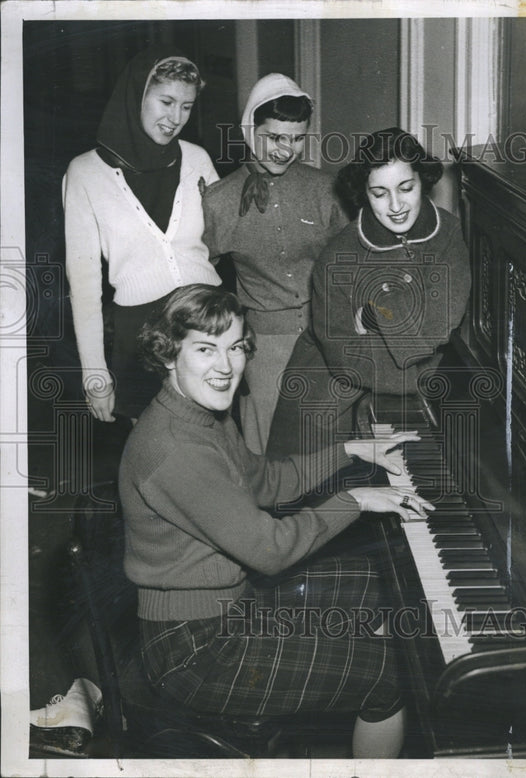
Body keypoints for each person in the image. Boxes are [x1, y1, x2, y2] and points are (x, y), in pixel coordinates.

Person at [119, 284, 433, 758]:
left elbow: (265, 482)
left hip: (228, 602)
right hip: (196, 650)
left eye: (236, 348)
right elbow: (270, 550)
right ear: (169, 354)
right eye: (205, 349)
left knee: (381, 584)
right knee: (387, 675)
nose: (225, 367)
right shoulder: (175, 450)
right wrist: (357, 499)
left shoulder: (203, 416)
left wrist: (349, 451)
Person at [267, 127, 472, 458]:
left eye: (406, 188)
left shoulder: (448, 234)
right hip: (327, 395)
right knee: (318, 493)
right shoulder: (336, 258)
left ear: (423, 181)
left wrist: (374, 313)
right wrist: (424, 370)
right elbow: (347, 361)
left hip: (411, 392)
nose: (395, 206)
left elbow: (437, 329)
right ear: (364, 193)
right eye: (379, 193)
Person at [63, 46, 221, 422]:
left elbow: (224, 241)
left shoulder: (197, 158)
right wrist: (95, 375)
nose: (175, 118)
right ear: (137, 95)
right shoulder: (84, 173)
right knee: (157, 458)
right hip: (141, 336)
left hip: (209, 322)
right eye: (166, 101)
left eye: (186, 106)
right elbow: (84, 285)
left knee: (217, 450)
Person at [202, 73, 348, 454]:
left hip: (327, 337)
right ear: (251, 130)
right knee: (266, 448)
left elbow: (351, 265)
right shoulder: (218, 201)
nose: (287, 150)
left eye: (297, 138)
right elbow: (198, 278)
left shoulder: (326, 190)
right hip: (263, 348)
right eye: (275, 137)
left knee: (327, 445)